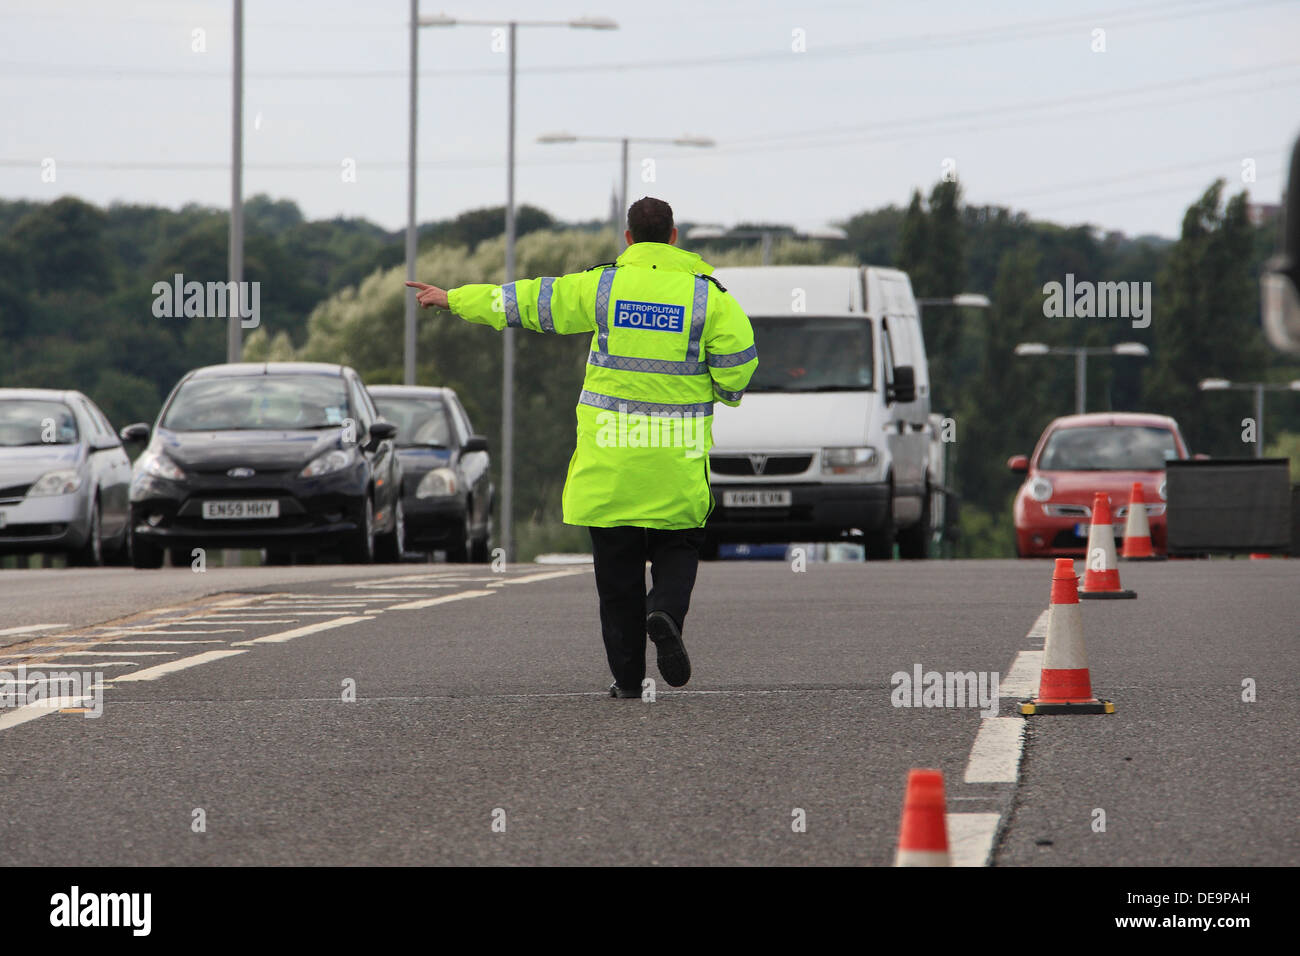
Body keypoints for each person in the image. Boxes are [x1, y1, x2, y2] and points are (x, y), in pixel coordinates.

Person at [407, 197, 757, 699]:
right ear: (675, 237)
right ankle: (665, 612)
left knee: (616, 574)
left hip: (611, 459)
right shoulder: (710, 297)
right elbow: (737, 366)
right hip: (674, 458)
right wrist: (722, 389)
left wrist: (453, 298)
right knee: (678, 545)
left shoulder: (602, 285)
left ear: (629, 238)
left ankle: (629, 680)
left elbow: (527, 301)